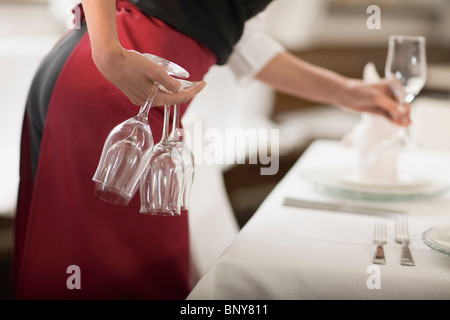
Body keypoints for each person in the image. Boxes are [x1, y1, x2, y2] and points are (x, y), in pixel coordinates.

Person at [14, 0, 409, 299]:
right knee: (128, 276)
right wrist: (108, 53)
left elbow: (231, 34)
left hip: (114, 77)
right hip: (123, 83)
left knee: (97, 267)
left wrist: (346, 92)